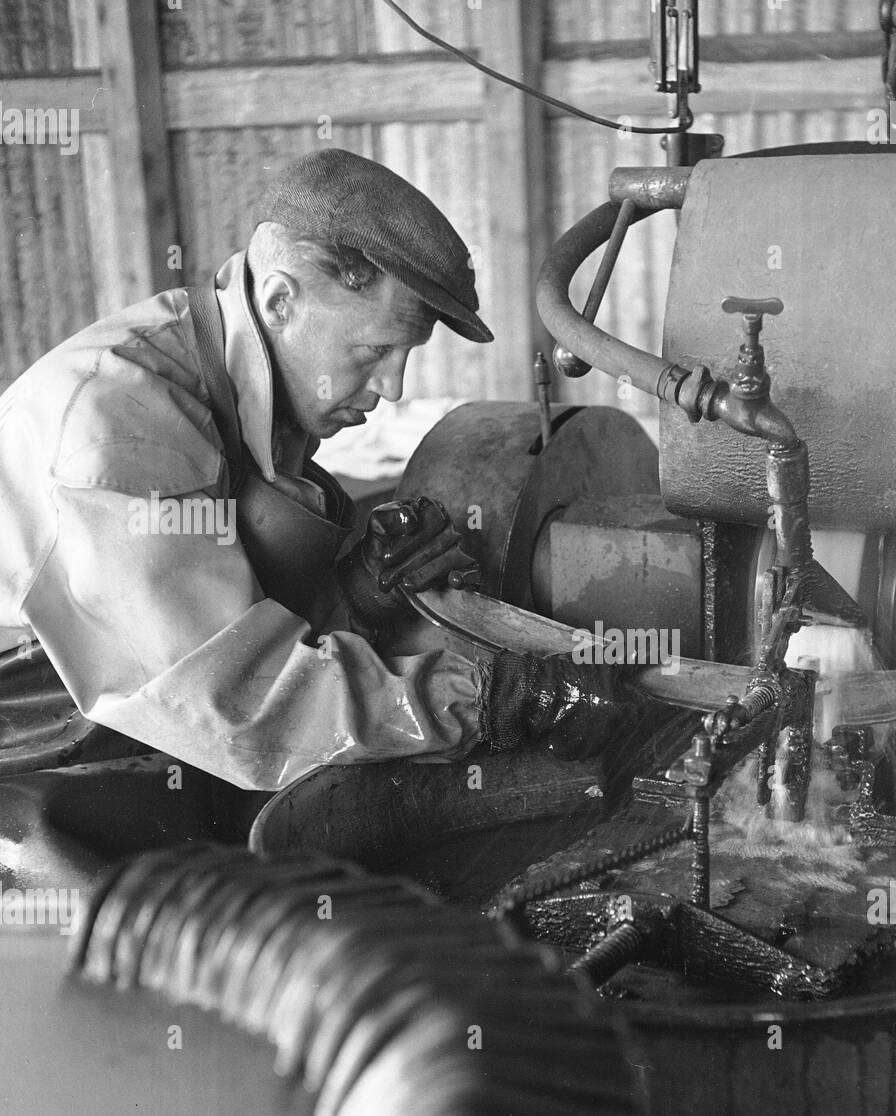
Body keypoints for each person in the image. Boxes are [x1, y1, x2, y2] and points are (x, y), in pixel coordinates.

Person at [0, 149, 643, 881]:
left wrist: (358, 594)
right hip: (39, 766)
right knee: (184, 957)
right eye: (375, 350)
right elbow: (236, 704)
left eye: (405, 355)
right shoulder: (117, 429)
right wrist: (483, 700)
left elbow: (235, 612)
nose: (393, 387)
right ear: (280, 302)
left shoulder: (251, 386)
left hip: (148, 731)